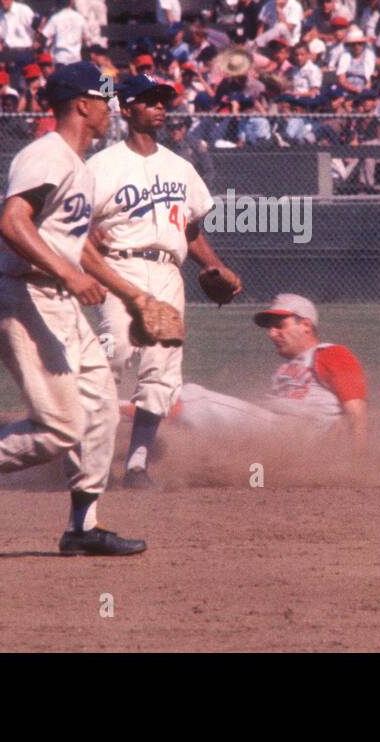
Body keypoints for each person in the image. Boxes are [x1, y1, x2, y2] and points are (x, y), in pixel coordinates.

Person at [0, 62, 147, 557]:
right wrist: (68, 273)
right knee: (61, 427)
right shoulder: (45, 155)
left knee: (103, 411)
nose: (111, 109)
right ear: (82, 105)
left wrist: (132, 294)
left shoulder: (79, 168)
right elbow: (11, 223)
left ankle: (83, 528)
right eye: (104, 99)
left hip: (59, 303)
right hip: (23, 298)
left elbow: (73, 248)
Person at [82, 74, 242, 489]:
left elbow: (188, 229)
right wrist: (87, 232)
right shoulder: (102, 165)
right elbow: (74, 219)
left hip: (169, 272)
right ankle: (81, 444)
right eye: (150, 100)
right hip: (121, 269)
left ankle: (136, 465)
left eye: (164, 100)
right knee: (114, 349)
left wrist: (213, 265)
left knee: (161, 373)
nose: (160, 106)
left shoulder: (180, 167)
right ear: (126, 107)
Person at [172, 294, 367, 454]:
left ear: (306, 325)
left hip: (295, 433)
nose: (272, 333)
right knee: (194, 435)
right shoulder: (290, 366)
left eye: (280, 325)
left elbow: (356, 413)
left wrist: (357, 463)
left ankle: (141, 455)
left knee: (189, 397)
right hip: (277, 436)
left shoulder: (331, 353)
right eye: (270, 327)